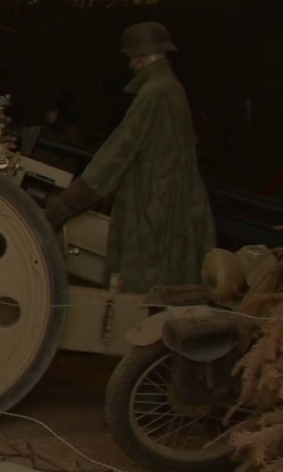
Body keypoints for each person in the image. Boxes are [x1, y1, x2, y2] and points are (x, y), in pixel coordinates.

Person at [44, 22, 214, 292]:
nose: (131, 66)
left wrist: (59, 212)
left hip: (152, 212)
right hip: (169, 208)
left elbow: (115, 157)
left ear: (141, 57)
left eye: (132, 60)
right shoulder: (172, 89)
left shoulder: (154, 93)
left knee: (140, 293)